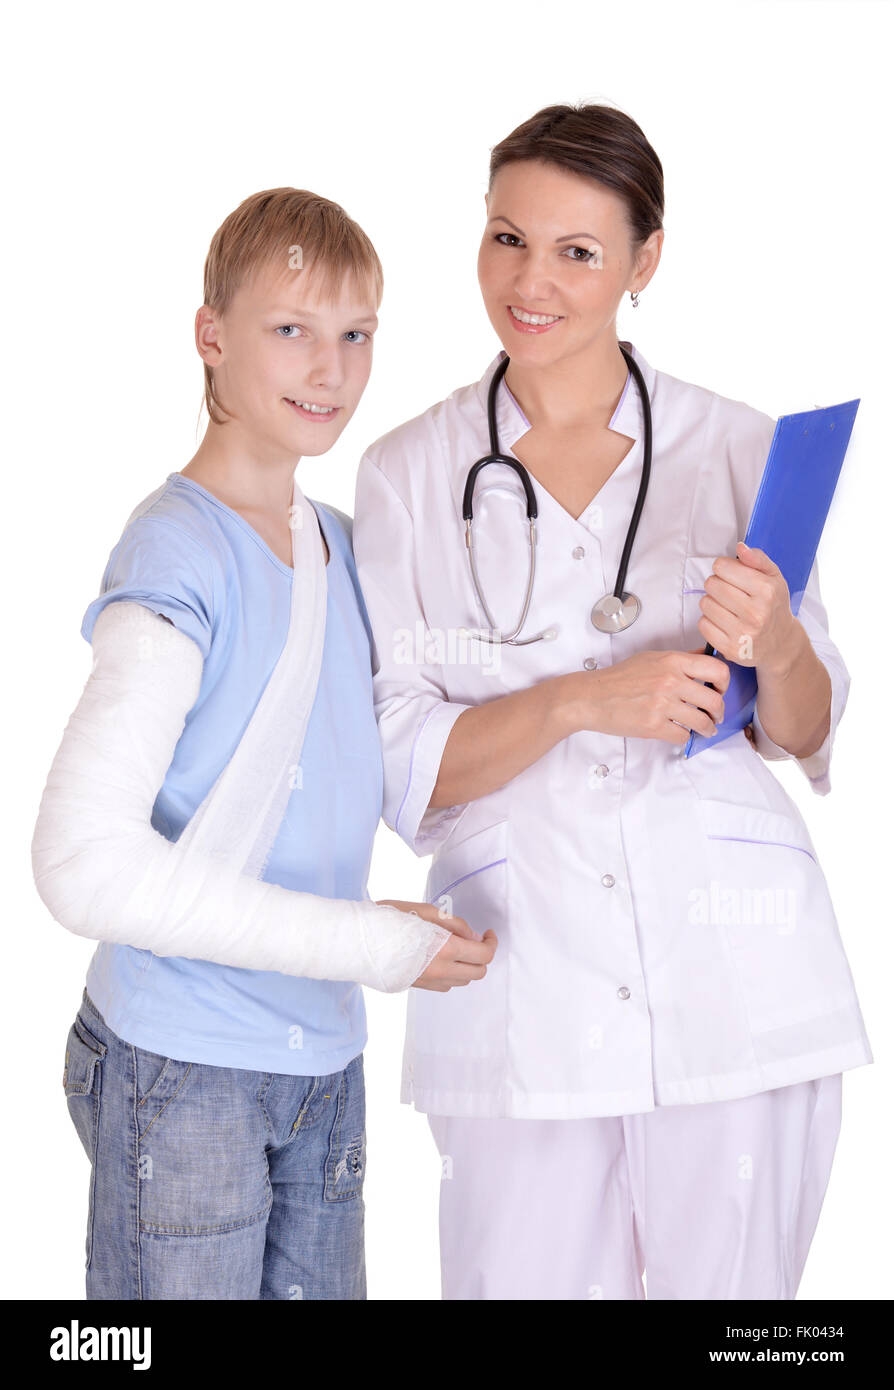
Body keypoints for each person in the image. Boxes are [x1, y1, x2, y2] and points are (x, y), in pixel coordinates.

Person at [351, 105, 873, 1300]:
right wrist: (585, 699)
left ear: (646, 261)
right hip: (520, 975)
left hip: (738, 979)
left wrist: (781, 639)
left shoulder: (737, 443)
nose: (530, 283)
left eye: (577, 252)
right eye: (505, 238)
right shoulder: (408, 471)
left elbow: (807, 727)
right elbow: (397, 755)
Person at [31, 187, 495, 1301]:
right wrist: (375, 948)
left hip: (323, 1065)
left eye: (356, 334)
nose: (329, 367)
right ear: (211, 336)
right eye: (291, 328)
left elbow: (398, 755)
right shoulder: (178, 551)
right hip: (183, 1068)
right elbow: (79, 863)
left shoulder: (341, 547)